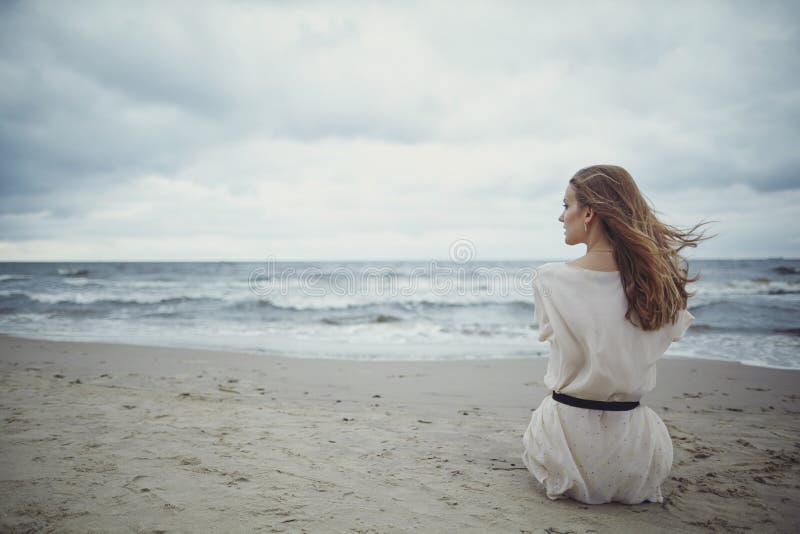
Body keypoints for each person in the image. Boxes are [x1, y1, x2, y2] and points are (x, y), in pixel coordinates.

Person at [521, 164, 711, 504]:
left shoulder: (548, 279)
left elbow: (556, 342)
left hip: (564, 447)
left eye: (566, 205)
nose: (561, 216)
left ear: (589, 212)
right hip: (637, 455)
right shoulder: (658, 284)